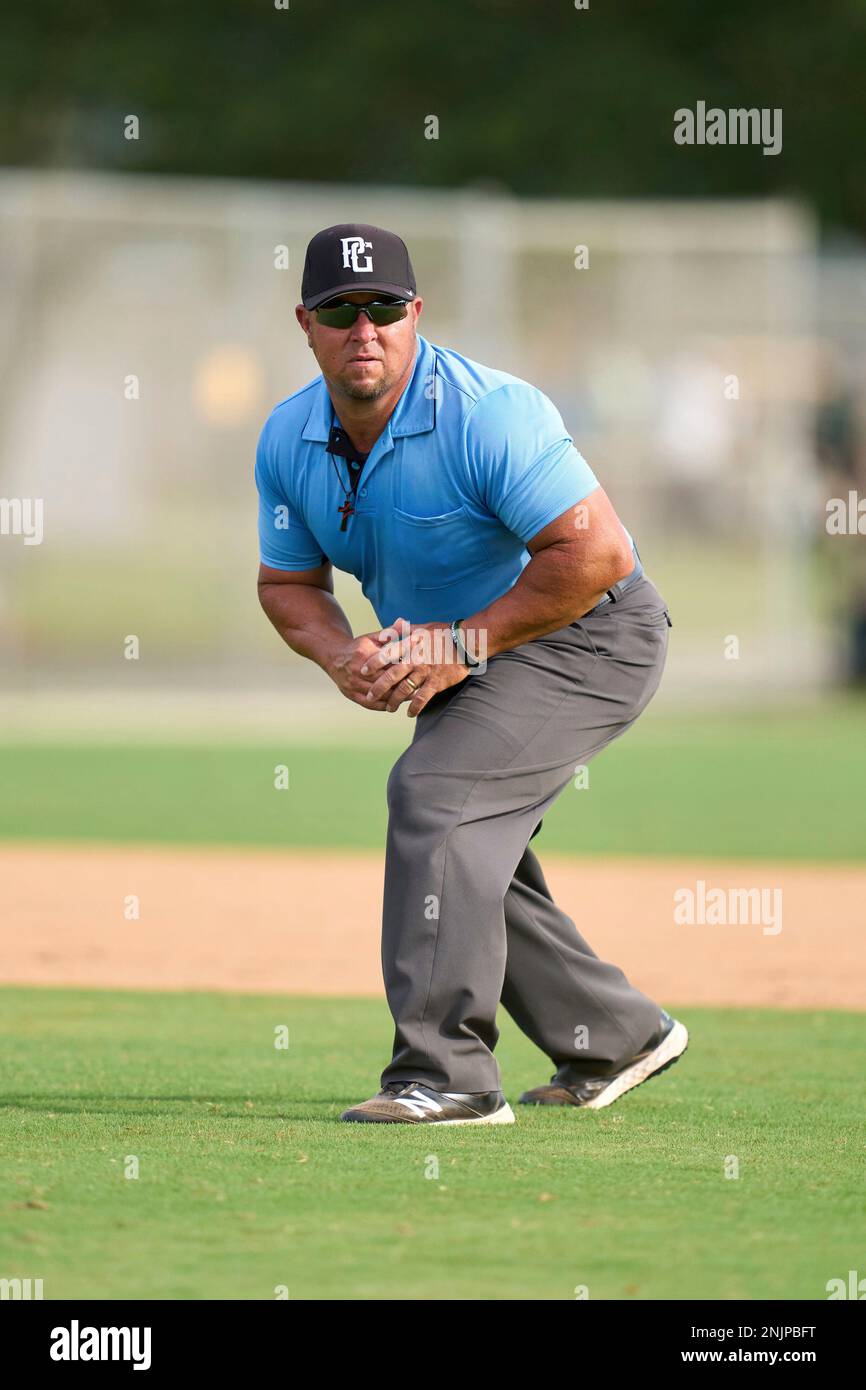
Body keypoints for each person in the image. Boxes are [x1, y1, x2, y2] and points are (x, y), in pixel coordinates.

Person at [255, 222, 688, 1126]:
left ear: (416, 313)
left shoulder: (489, 411)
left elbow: (595, 555)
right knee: (463, 841)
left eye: (383, 308)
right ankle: (612, 1032)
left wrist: (458, 646)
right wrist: (340, 654)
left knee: (436, 800)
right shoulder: (287, 437)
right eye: (340, 309)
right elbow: (287, 583)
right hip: (479, 647)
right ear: (305, 322)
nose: (362, 328)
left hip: (589, 634)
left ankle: (446, 1073)